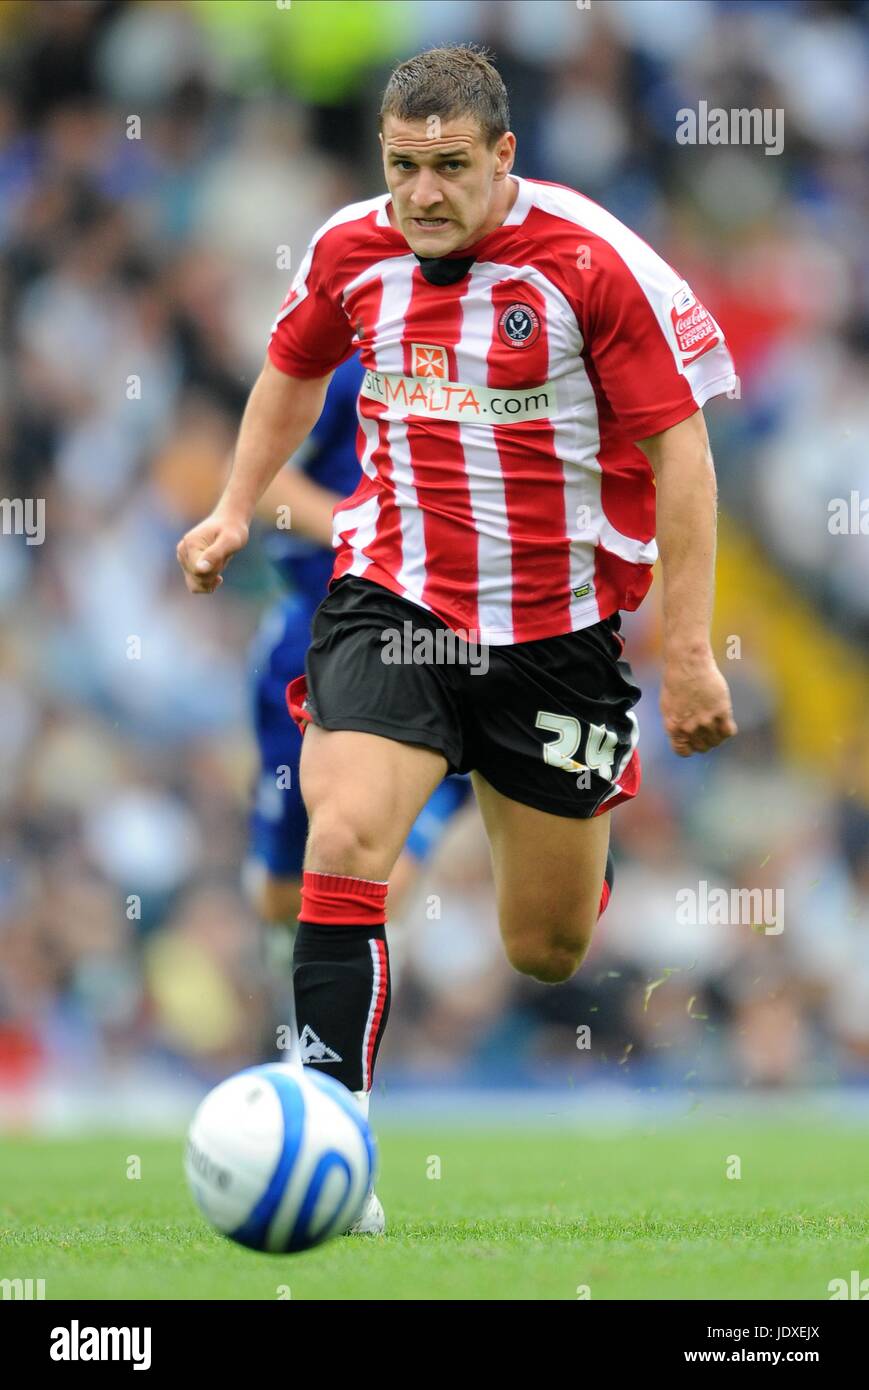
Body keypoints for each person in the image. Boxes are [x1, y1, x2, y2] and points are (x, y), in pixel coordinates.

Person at [178, 44, 738, 1234]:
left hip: (557, 636)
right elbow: (290, 369)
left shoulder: (590, 263)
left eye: (446, 168)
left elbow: (679, 452)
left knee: (545, 946)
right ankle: (337, 1133)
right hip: (396, 601)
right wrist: (235, 506)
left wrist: (685, 650)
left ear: (502, 158)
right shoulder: (349, 251)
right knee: (343, 834)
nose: (420, 193)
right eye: (400, 166)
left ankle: (557, 819)